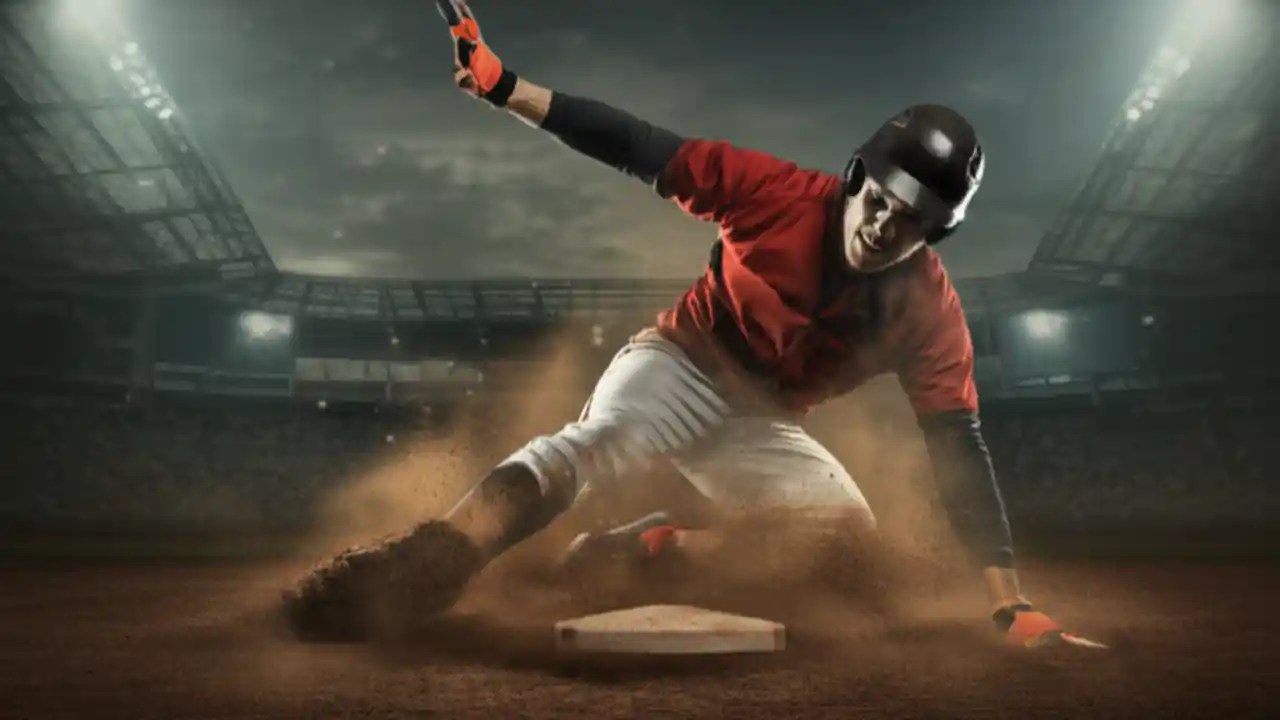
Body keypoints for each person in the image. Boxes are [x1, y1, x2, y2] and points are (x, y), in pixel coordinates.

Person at [282, 0, 1103, 650]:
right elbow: (634, 143)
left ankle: (647, 546)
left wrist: (1011, 607)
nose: (883, 227)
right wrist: (505, 85)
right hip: (676, 367)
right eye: (880, 202)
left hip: (759, 420)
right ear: (855, 177)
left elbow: (960, 448)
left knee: (845, 541)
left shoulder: (931, 312)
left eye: (912, 223)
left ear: (935, 236)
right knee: (596, 444)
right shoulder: (774, 194)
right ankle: (425, 562)